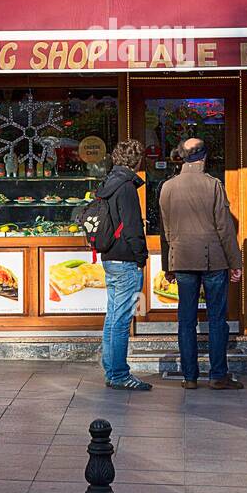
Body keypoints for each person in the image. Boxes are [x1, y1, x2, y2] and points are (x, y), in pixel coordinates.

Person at [159, 137, 244, 390]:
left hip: (182, 258)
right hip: (213, 260)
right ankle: (218, 375)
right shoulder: (213, 185)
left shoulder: (167, 187)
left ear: (182, 157)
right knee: (217, 318)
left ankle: (189, 377)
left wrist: (168, 265)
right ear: (204, 157)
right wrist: (235, 262)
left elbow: (166, 231)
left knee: (186, 319)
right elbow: (224, 228)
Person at [97, 139, 152, 392]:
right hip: (126, 259)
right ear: (137, 161)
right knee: (121, 320)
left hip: (110, 256)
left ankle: (111, 369)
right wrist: (141, 256)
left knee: (113, 317)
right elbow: (132, 228)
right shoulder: (127, 187)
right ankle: (119, 374)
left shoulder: (109, 182)